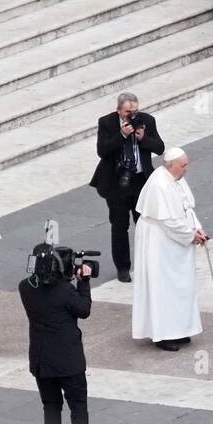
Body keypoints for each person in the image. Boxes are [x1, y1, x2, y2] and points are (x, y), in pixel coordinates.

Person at [19, 243, 103, 424]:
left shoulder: (25, 288)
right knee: (78, 406)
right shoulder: (65, 291)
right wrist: (83, 282)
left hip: (41, 360)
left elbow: (38, 281)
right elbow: (83, 310)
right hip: (68, 360)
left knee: (51, 406)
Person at [132, 148, 207, 351]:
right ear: (171, 165)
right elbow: (168, 221)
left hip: (175, 241)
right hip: (159, 242)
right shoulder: (159, 184)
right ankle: (162, 334)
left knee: (180, 286)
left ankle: (179, 329)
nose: (186, 169)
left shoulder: (177, 178)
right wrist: (191, 235)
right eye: (183, 166)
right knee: (162, 287)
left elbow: (186, 208)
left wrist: (197, 228)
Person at [89, 92, 165, 282]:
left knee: (145, 225)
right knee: (119, 226)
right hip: (117, 182)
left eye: (135, 111)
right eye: (127, 112)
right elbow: (102, 150)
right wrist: (122, 135)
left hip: (141, 181)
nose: (132, 115)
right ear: (119, 110)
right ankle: (123, 267)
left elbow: (160, 147)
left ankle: (147, 264)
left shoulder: (147, 121)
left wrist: (142, 139)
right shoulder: (107, 123)